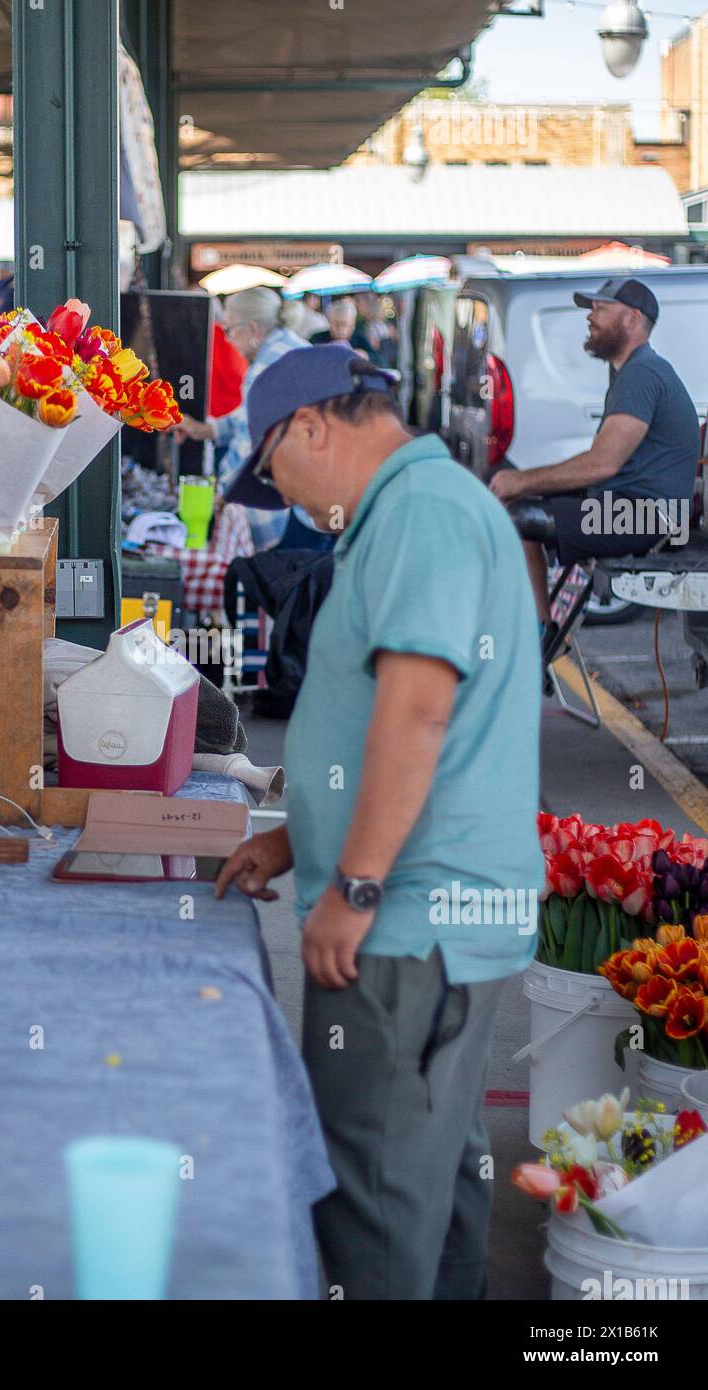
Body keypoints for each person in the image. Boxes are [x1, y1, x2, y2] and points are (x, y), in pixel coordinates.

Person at [214, 343, 543, 1300]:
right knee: (432, 1170)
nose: (283, 499)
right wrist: (294, 837)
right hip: (432, 918)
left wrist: (352, 886)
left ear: (311, 427)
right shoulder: (409, 511)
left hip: (407, 921)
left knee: (374, 1193)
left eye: (273, 469)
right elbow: (375, 725)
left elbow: (417, 711)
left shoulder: (421, 512)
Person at [489, 278, 699, 633]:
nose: (590, 317)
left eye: (601, 308)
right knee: (526, 505)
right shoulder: (630, 370)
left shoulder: (642, 372)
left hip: (650, 518)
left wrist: (519, 479)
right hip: (636, 509)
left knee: (521, 517)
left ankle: (538, 631)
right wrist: (523, 484)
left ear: (632, 319)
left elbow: (603, 463)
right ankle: (541, 625)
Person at [172, 286, 309, 550]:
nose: (229, 339)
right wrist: (204, 429)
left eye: (230, 330)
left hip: (281, 508)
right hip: (308, 502)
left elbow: (252, 448)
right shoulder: (290, 347)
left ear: (254, 329)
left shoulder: (265, 369)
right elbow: (248, 420)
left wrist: (223, 493)